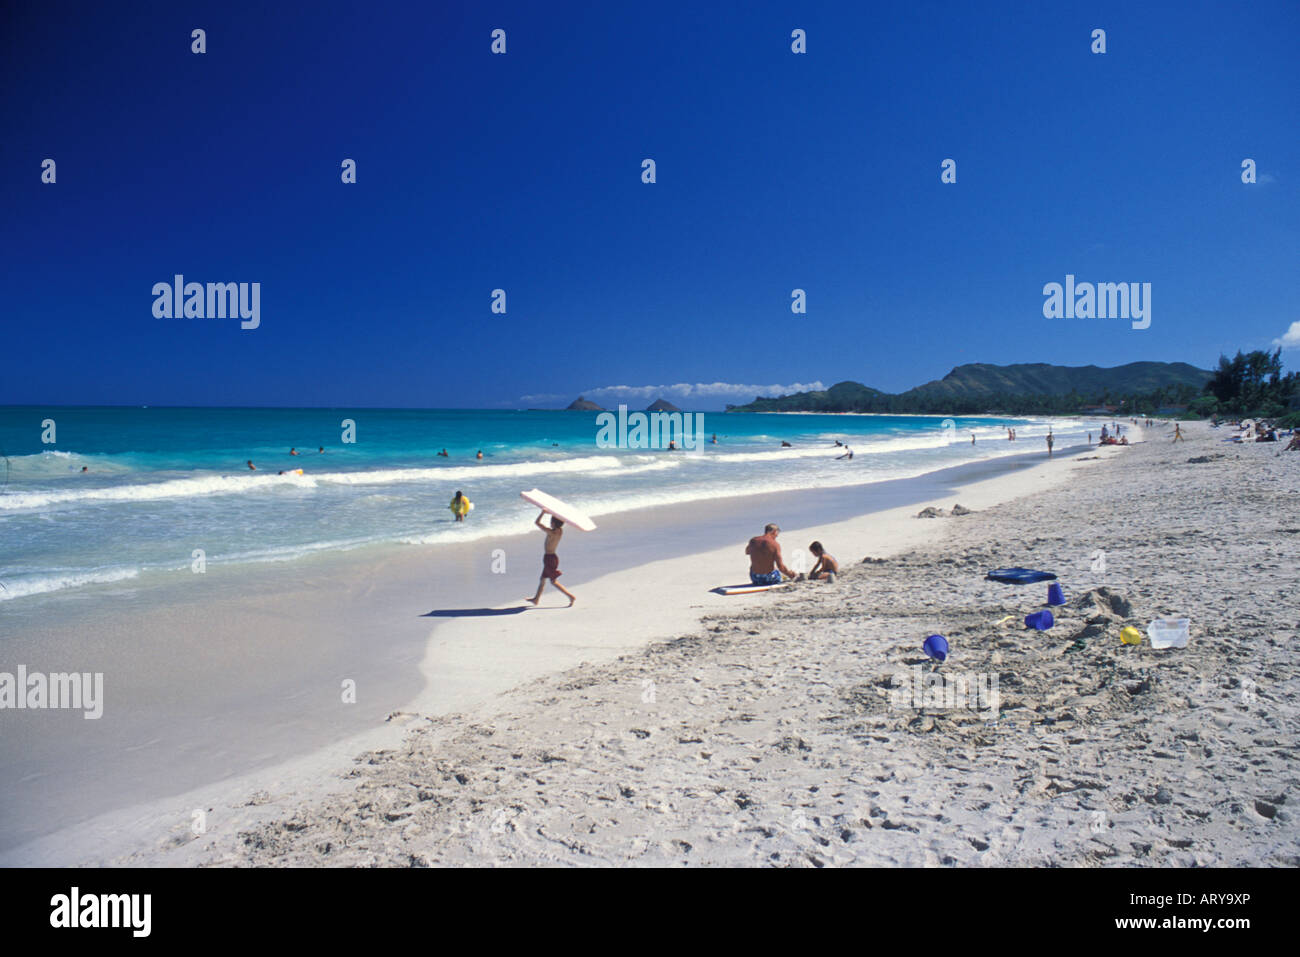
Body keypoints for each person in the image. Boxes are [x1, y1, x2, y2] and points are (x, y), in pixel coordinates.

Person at [526, 510, 576, 606]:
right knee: (542, 579)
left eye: (551, 521)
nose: (550, 523)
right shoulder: (560, 531)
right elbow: (557, 523)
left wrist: (542, 513)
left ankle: (570, 597)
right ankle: (536, 599)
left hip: (549, 559)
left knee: (553, 582)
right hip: (552, 557)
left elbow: (537, 523)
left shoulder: (551, 532)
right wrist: (555, 514)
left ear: (553, 523)